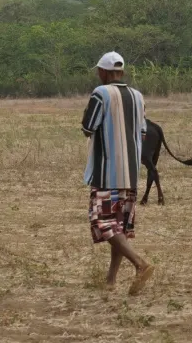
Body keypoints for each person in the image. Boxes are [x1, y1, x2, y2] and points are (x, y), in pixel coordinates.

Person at [82, 51, 155, 294]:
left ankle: (140, 264)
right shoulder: (137, 96)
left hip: (107, 173)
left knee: (102, 222)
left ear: (102, 72)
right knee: (119, 228)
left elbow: (87, 127)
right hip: (131, 173)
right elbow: (142, 133)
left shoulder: (100, 93)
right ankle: (110, 281)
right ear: (121, 72)